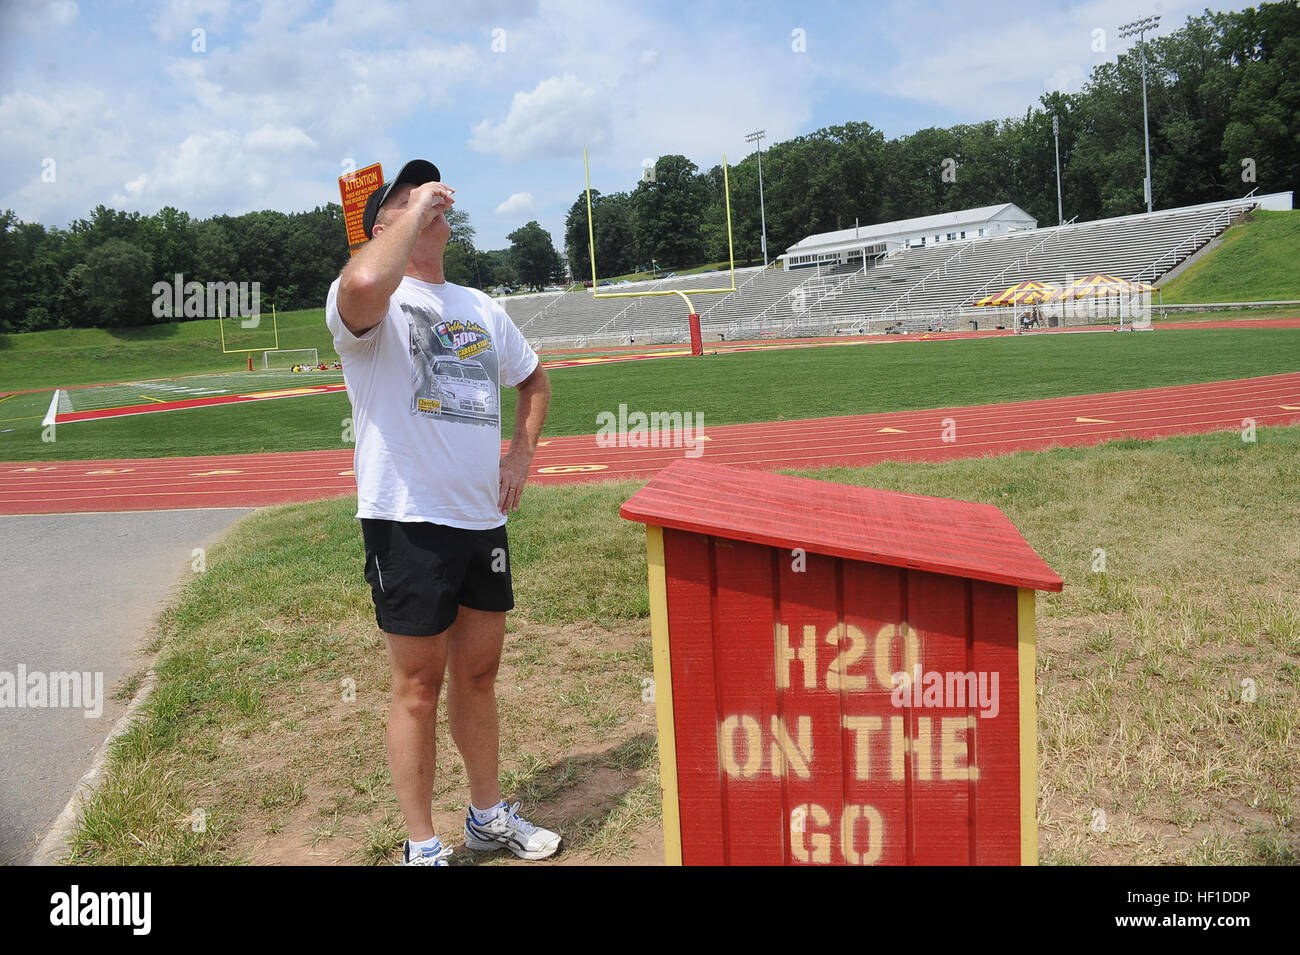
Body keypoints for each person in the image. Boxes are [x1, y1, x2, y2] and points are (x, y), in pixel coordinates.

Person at [325, 159, 556, 867]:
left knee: (479, 676)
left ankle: (487, 816)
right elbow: (366, 279)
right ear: (383, 224)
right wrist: (415, 203)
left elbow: (534, 377)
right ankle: (422, 844)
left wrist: (520, 452)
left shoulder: (480, 305)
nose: (432, 203)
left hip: (481, 521)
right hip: (407, 521)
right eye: (407, 197)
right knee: (419, 685)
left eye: (432, 192)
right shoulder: (365, 301)